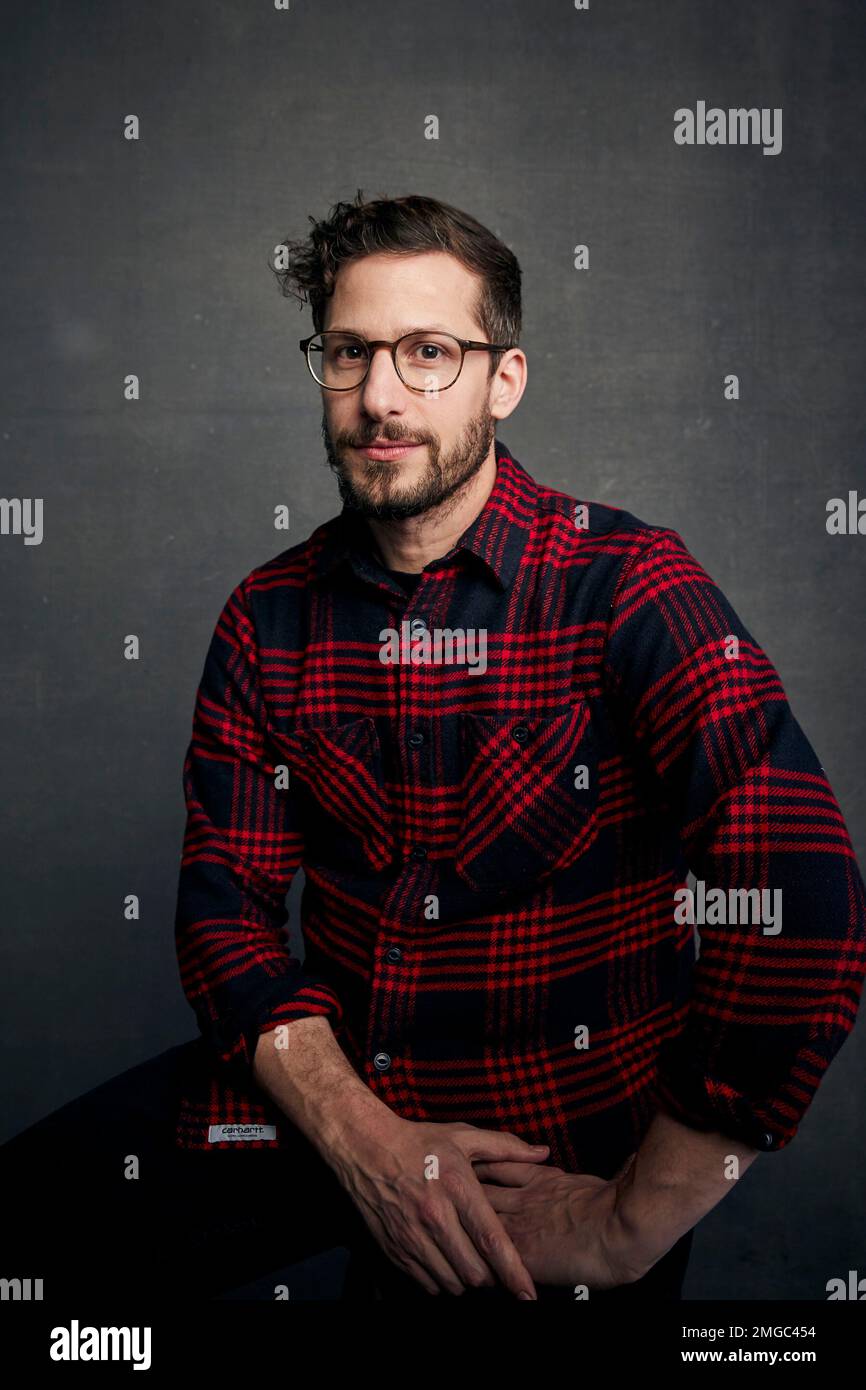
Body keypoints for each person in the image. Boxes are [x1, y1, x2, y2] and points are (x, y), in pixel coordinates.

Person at [3, 192, 864, 1303]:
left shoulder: (626, 587)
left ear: (501, 380)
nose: (378, 397)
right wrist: (365, 1142)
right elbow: (224, 912)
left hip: (544, 1175)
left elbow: (801, 891)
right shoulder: (267, 617)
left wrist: (629, 1219)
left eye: (427, 353)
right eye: (349, 352)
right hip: (331, 1112)